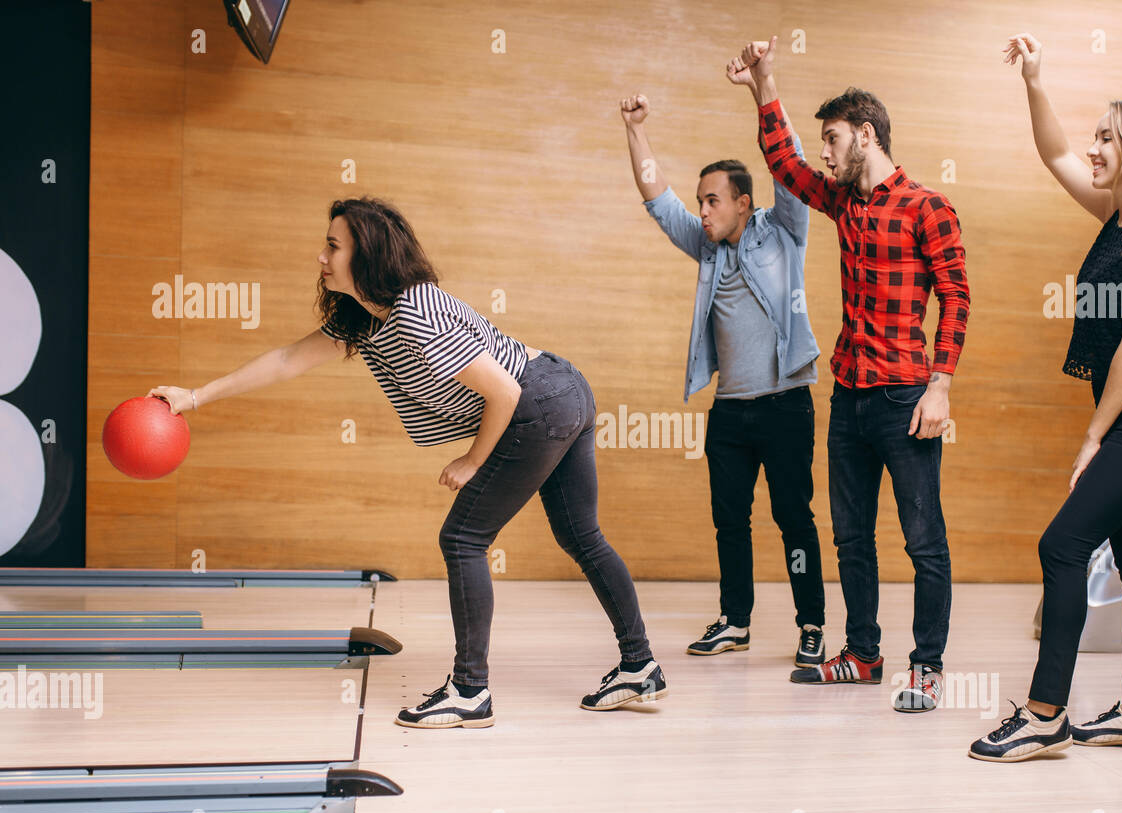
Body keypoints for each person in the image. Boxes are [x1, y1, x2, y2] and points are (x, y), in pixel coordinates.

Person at [149, 197, 666, 728]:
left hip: (537, 402)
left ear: (365, 253)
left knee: (463, 538)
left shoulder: (414, 314)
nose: (321, 256)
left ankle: (469, 690)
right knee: (582, 536)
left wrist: (471, 460)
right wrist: (194, 396)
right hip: (564, 389)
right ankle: (639, 665)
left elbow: (504, 392)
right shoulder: (366, 320)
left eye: (333, 245)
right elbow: (285, 360)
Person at [969, 35, 1122, 761]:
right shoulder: (1119, 210)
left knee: (1062, 542)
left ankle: (1045, 713)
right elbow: (1054, 153)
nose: (1094, 148)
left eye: (1108, 138)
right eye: (1097, 134)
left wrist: (1095, 434)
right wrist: (1035, 81)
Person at [730, 38, 971, 711]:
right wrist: (763, 81)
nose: (826, 153)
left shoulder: (928, 206)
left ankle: (927, 665)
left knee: (924, 539)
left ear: (866, 135)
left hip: (907, 398)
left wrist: (941, 384)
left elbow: (957, 296)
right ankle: (863, 653)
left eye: (833, 139)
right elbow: (783, 161)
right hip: (850, 397)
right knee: (850, 534)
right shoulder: (845, 205)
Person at [620, 88, 827, 668]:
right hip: (732, 413)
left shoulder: (785, 230)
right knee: (730, 521)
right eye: (700, 202)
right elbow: (658, 199)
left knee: (793, 520)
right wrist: (635, 129)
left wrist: (765, 86)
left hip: (786, 405)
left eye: (712, 201)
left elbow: (789, 164)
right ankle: (736, 620)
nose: (702, 211)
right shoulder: (708, 250)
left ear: (743, 203)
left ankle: (811, 623)